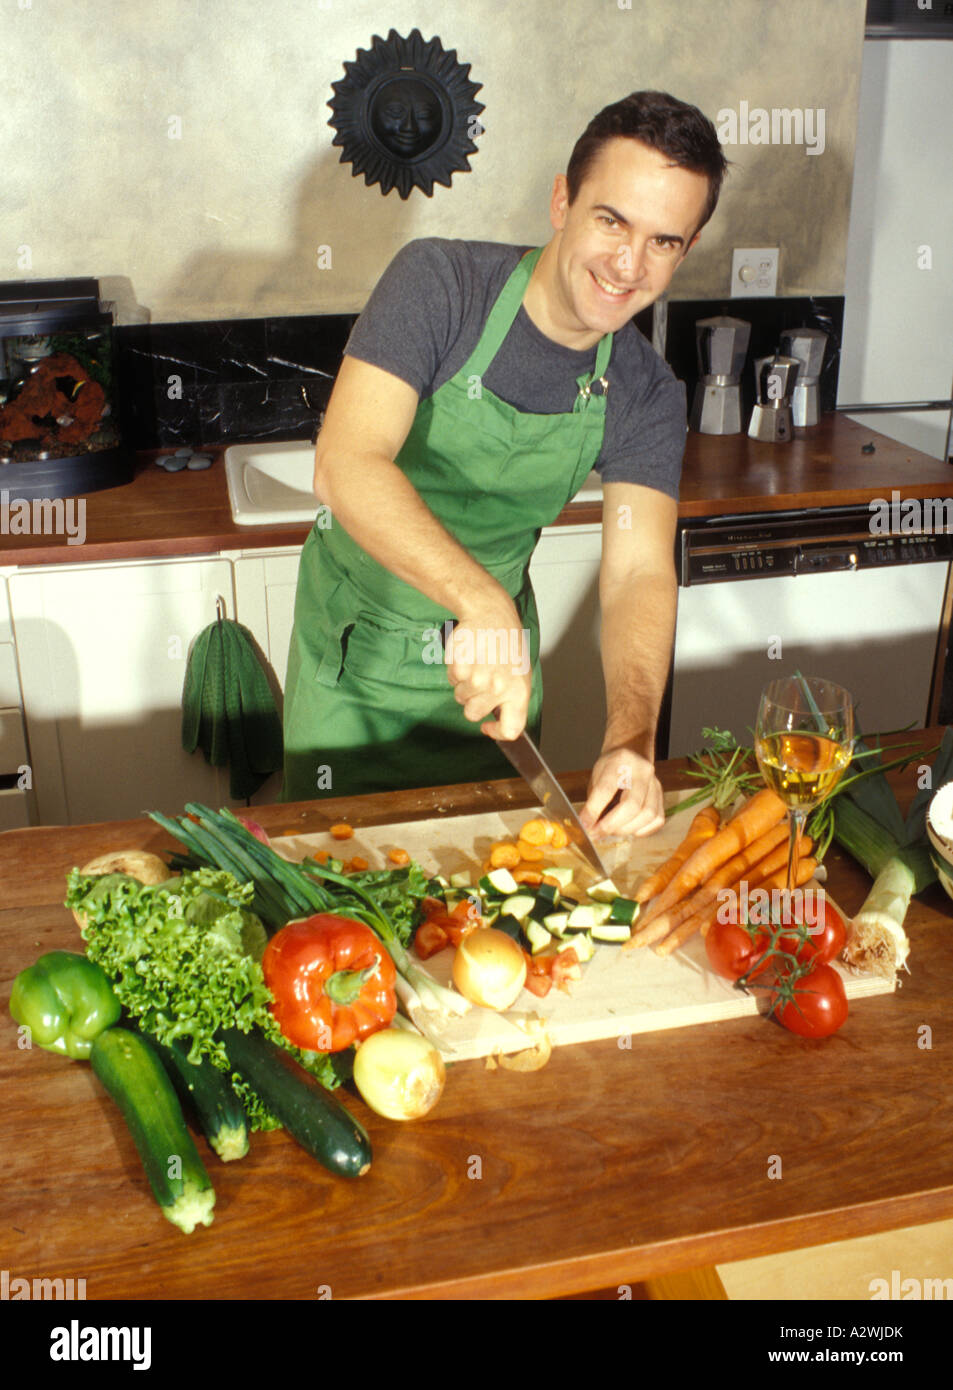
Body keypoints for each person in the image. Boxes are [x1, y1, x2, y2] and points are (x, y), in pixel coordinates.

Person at [281, 90, 727, 837]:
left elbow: (637, 575)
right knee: (340, 889)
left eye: (664, 241)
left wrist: (630, 741)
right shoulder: (439, 286)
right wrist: (480, 601)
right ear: (561, 201)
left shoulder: (645, 392)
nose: (627, 264)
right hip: (356, 666)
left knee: (488, 896)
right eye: (611, 220)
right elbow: (347, 463)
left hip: (499, 684)